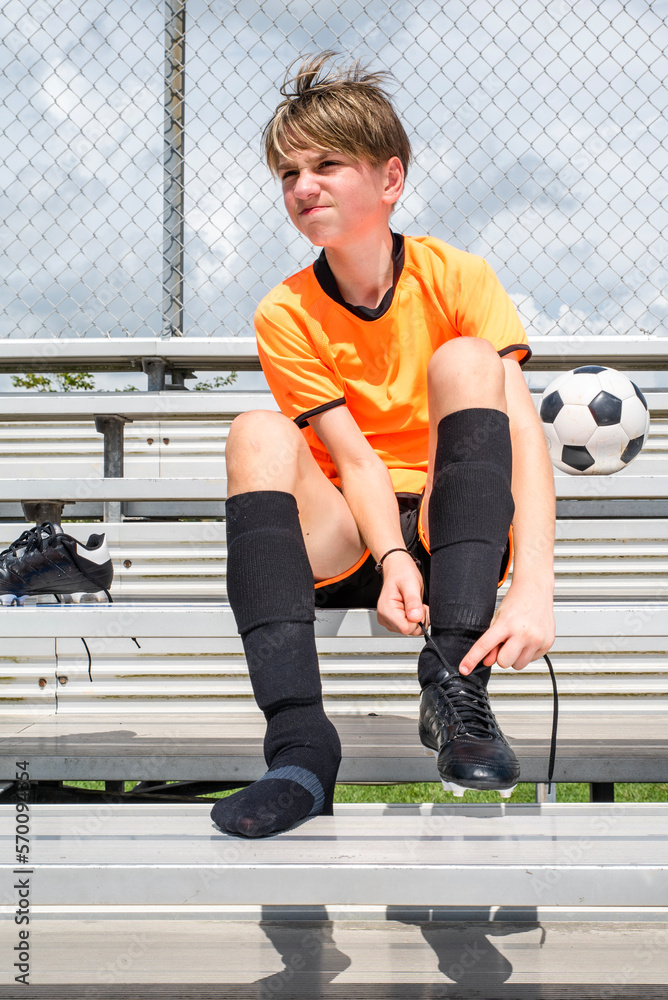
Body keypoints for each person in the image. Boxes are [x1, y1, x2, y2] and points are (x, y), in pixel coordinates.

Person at [211, 53, 555, 839]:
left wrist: (534, 585)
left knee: (470, 362)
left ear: (389, 179)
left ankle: (455, 688)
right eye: (289, 173)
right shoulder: (285, 311)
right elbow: (356, 459)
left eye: (327, 164)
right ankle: (299, 750)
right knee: (255, 432)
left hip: (452, 524)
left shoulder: (457, 276)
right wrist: (391, 560)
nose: (304, 187)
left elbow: (524, 437)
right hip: (351, 538)